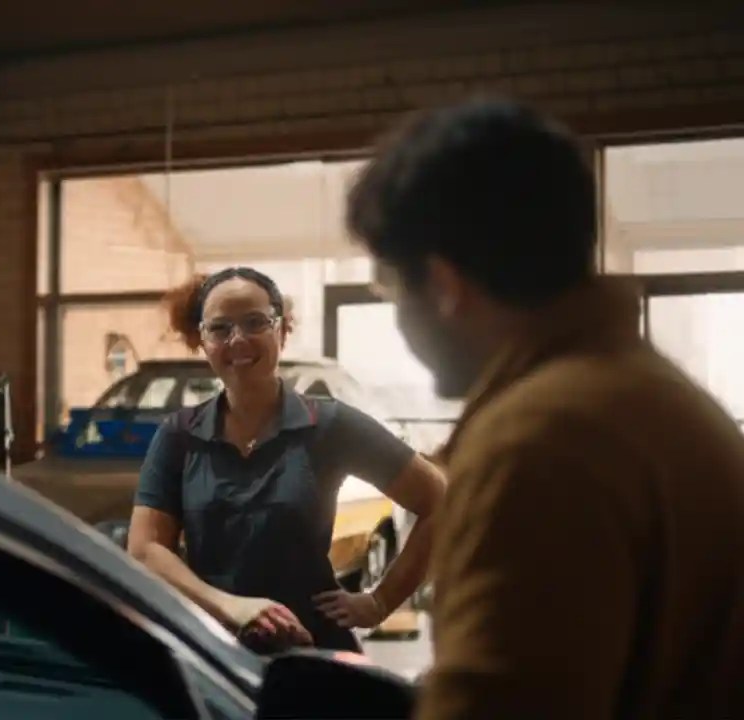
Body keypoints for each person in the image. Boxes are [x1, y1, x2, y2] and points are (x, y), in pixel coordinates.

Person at [346, 95, 744, 719]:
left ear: (445, 286)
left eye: (391, 287)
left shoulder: (536, 445)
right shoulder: (649, 395)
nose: (397, 315)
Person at [126, 266, 447, 653]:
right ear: (202, 340)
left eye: (254, 322)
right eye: (220, 328)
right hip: (213, 653)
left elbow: (439, 501)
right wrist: (232, 607)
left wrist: (379, 602)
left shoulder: (330, 425)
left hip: (312, 648)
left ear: (282, 331)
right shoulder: (179, 435)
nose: (237, 339)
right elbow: (145, 549)